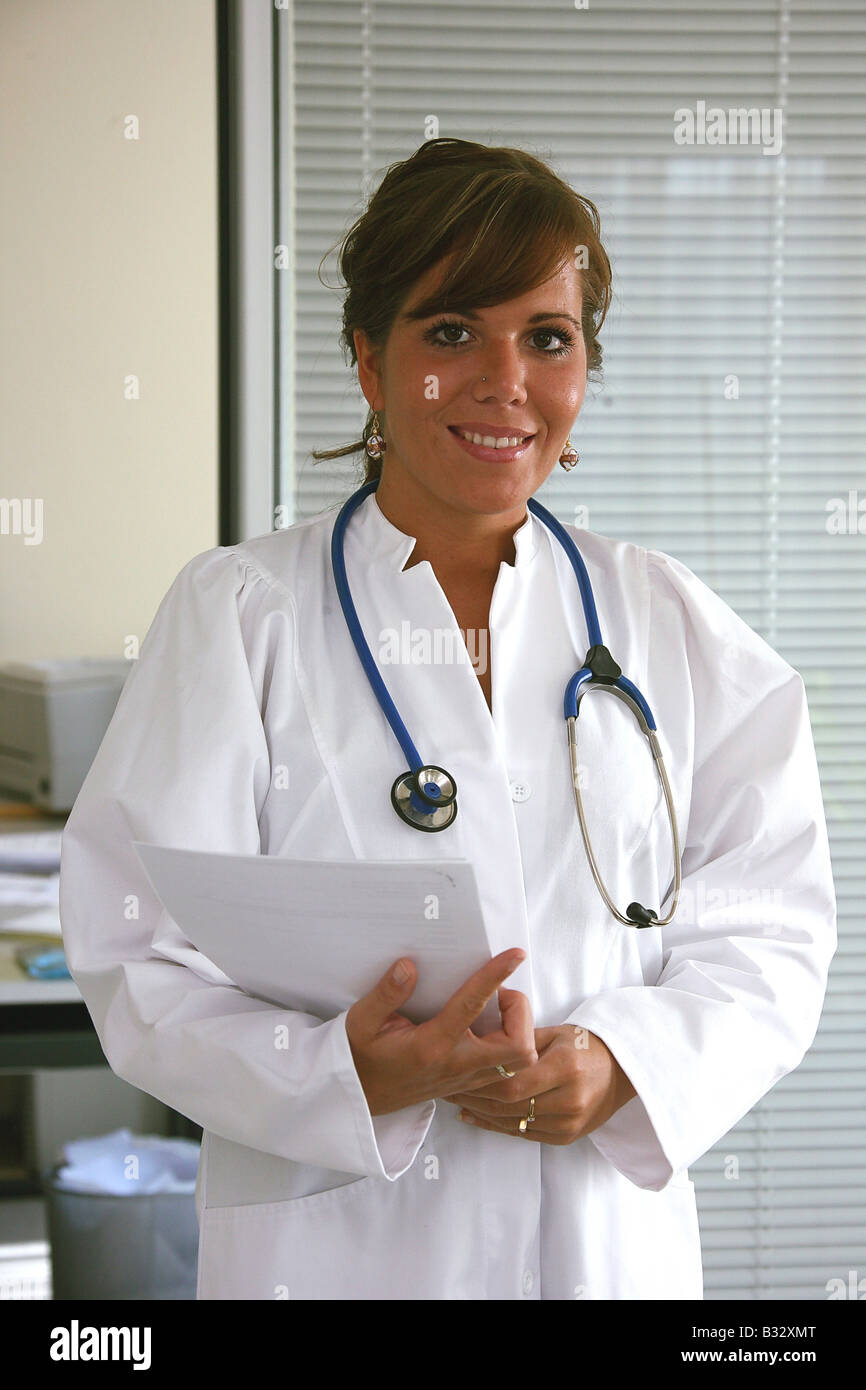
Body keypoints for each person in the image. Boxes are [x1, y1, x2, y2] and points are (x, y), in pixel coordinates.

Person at [59, 137, 837, 1300]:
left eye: (548, 337)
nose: (504, 380)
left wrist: (628, 1059)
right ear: (370, 363)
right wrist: (342, 1071)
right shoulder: (241, 615)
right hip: (334, 1255)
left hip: (599, 1248)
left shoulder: (665, 620)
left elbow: (770, 921)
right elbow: (134, 946)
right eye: (451, 331)